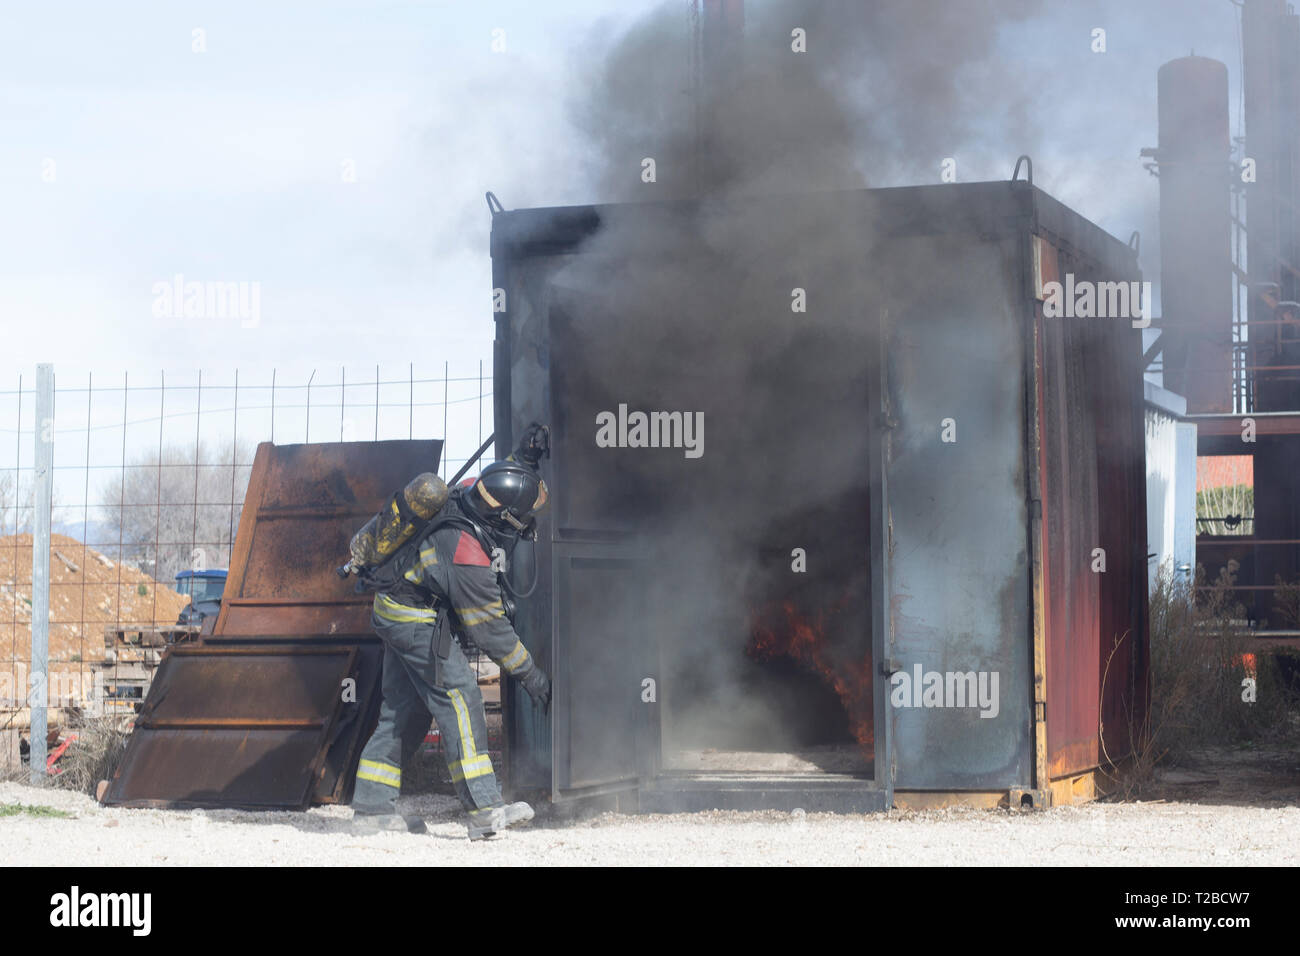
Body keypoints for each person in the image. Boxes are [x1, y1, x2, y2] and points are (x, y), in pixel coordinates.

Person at [350, 452, 552, 840]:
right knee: (461, 698)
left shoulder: (465, 496)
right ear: (506, 518)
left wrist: (521, 457)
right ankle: (484, 811)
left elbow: (498, 485)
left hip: (395, 607)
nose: (527, 525)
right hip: (414, 620)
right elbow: (491, 632)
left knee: (403, 711)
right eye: (524, 518)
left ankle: (372, 812)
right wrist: (531, 675)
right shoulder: (466, 554)